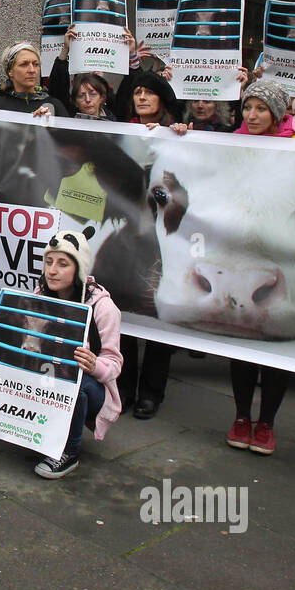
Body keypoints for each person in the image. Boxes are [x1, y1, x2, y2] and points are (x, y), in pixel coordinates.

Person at [0, 227, 122, 478]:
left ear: (80, 268)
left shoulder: (104, 307)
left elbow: (115, 363)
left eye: (63, 264)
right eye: (49, 262)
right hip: (47, 378)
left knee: (79, 381)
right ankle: (37, 429)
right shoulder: (39, 297)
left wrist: (94, 364)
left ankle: (68, 452)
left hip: (89, 388)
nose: (52, 270)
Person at [224, 79, 295, 454]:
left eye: (261, 109)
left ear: (277, 113)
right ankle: (241, 417)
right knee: (244, 343)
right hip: (242, 258)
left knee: (276, 344)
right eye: (248, 107)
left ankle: (266, 423)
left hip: (283, 263)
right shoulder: (231, 144)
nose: (252, 115)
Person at [116, 71, 187, 419]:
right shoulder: (121, 131)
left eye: (149, 93)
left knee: (161, 318)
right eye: (137, 92)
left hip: (169, 244)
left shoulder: (179, 135)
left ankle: (152, 392)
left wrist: (184, 137)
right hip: (129, 242)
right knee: (124, 317)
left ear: (163, 99)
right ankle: (125, 386)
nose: (141, 98)